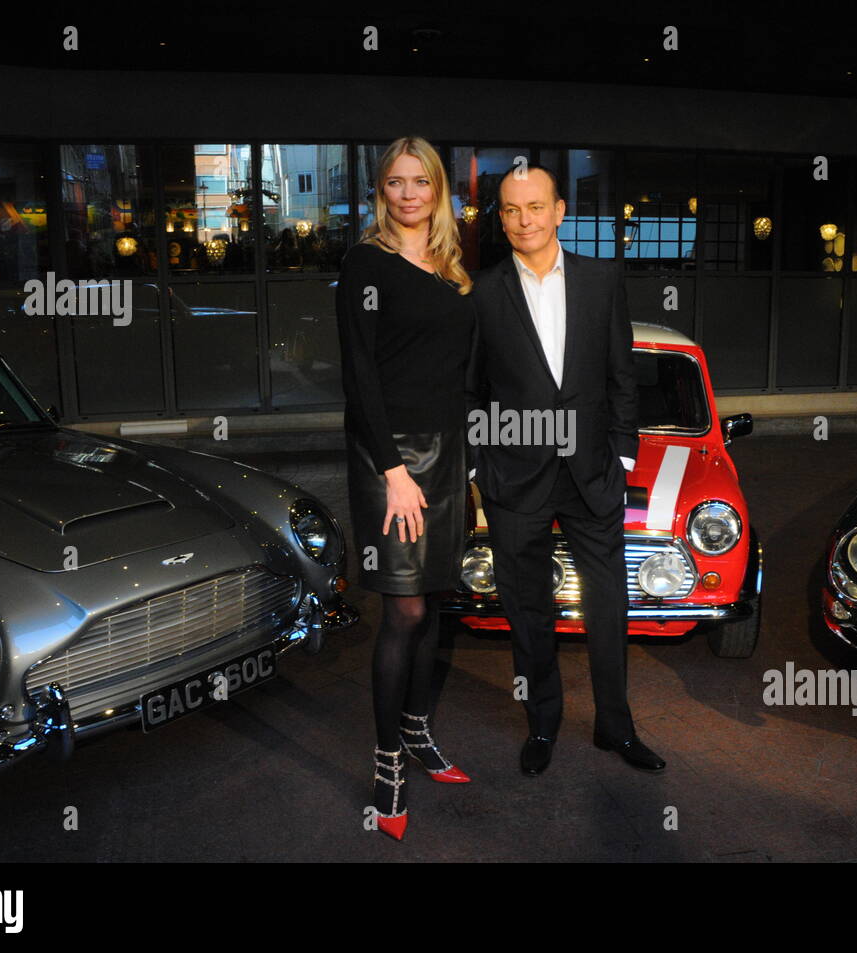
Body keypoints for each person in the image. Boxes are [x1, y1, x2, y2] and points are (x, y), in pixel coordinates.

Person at [466, 162, 665, 776]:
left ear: (558, 211)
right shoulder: (480, 292)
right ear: (501, 219)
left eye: (535, 207)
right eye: (510, 210)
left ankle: (616, 727)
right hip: (513, 478)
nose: (524, 220)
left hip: (591, 471)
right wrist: (478, 464)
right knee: (527, 608)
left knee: (608, 604)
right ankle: (543, 725)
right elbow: (468, 390)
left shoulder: (602, 279)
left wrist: (623, 454)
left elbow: (620, 375)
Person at [336, 136, 475, 841]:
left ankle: (419, 731)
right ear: (381, 190)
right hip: (387, 458)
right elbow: (360, 376)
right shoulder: (365, 263)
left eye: (422, 182)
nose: (410, 194)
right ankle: (388, 760)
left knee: (436, 601)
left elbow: (460, 374)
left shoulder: (454, 267)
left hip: (449, 454)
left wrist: (470, 464)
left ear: (438, 189)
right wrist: (393, 470)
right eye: (397, 182)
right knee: (404, 609)